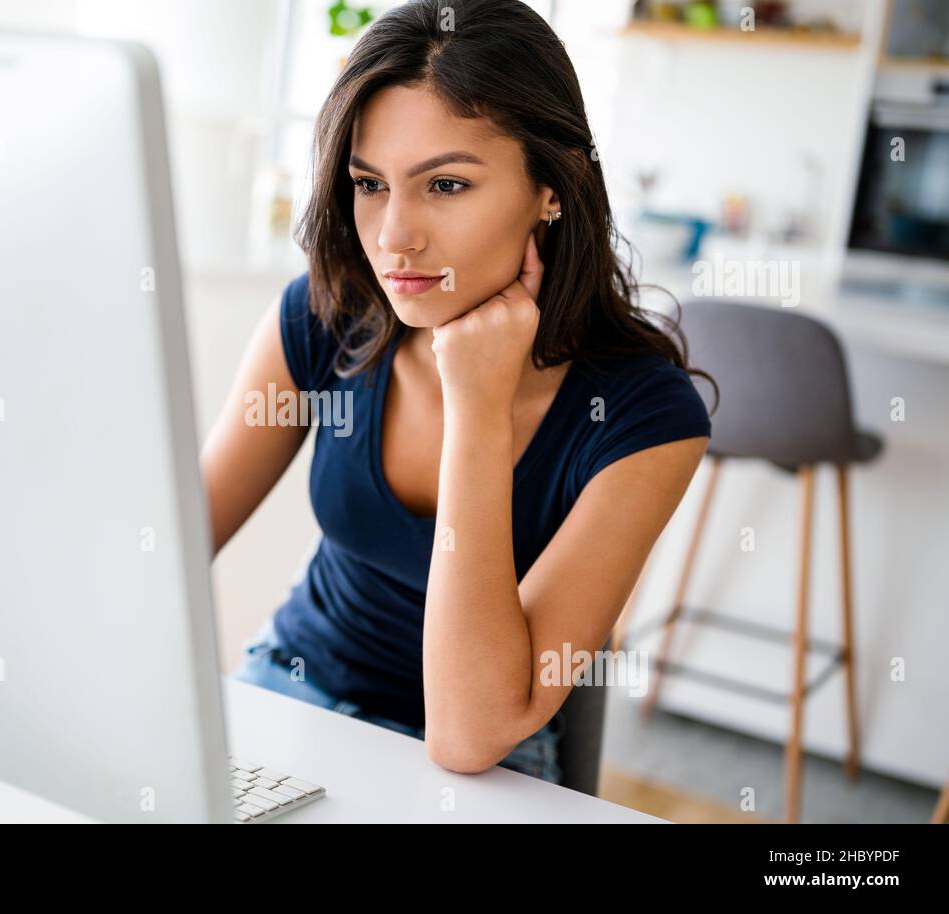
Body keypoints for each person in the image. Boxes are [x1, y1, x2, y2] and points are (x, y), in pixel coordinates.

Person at [199, 0, 717, 783]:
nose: (394, 235)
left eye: (444, 184)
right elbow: (172, 542)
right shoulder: (328, 310)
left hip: (484, 776)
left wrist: (478, 408)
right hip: (289, 697)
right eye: (369, 183)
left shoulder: (647, 418)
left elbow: (470, 734)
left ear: (554, 185)